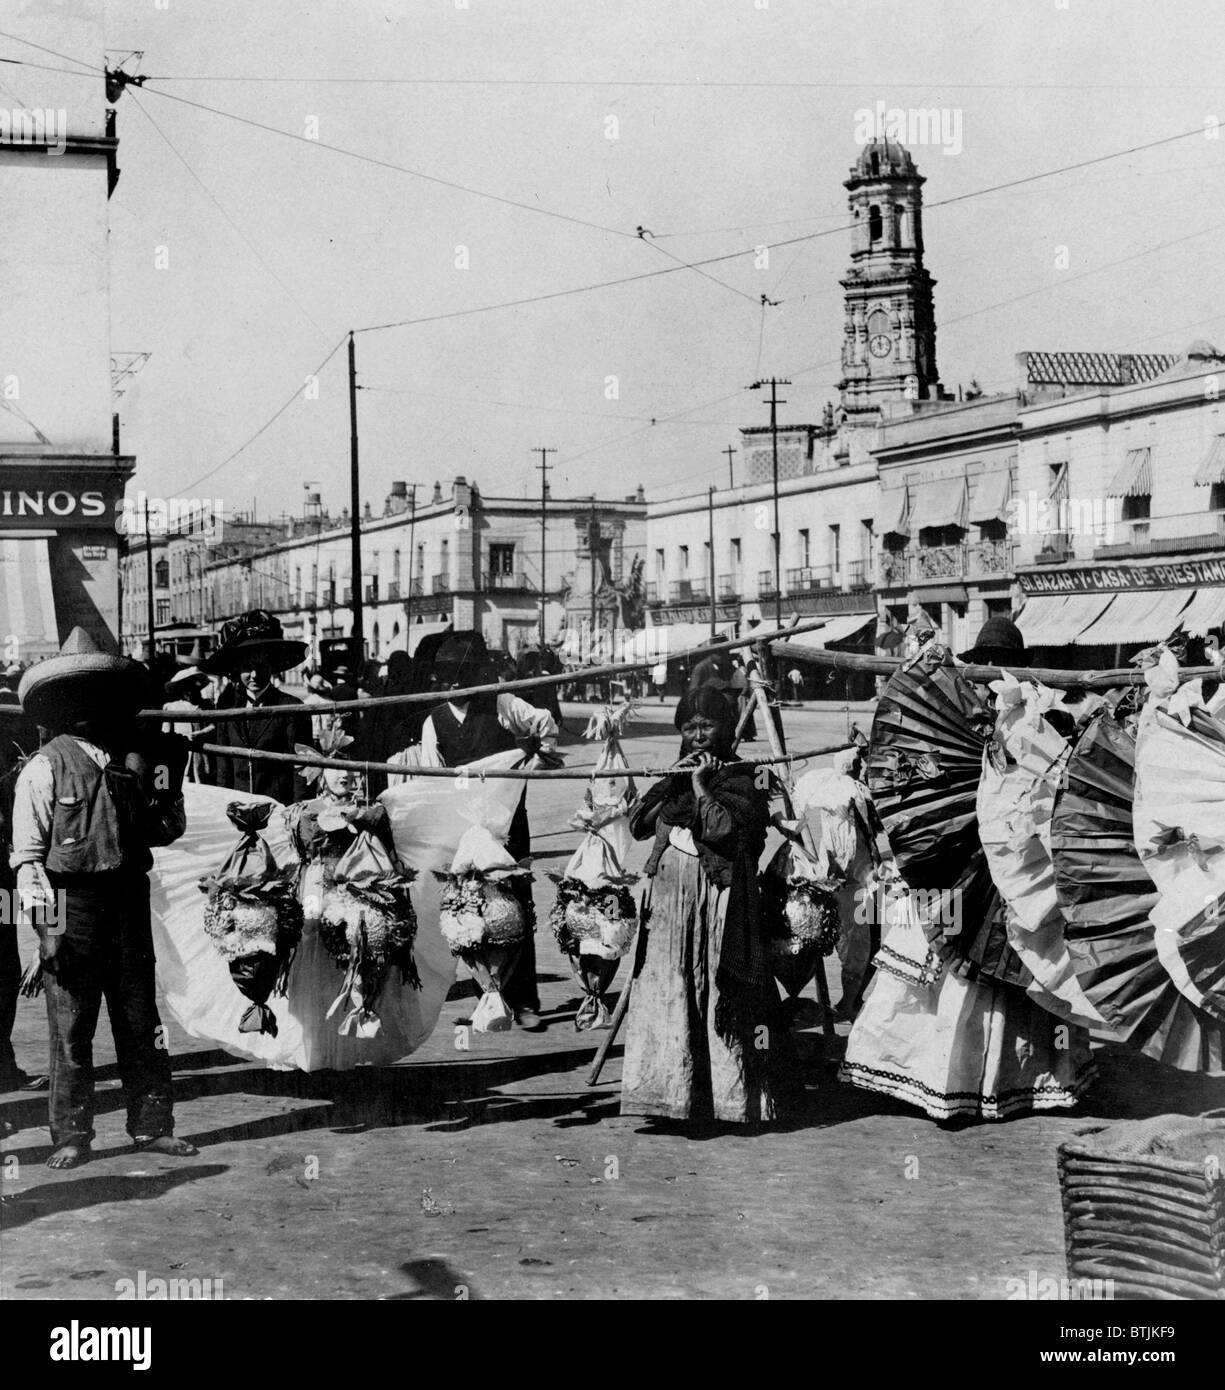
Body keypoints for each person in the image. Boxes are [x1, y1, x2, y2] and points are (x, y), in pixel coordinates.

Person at [839, 618, 1095, 1123]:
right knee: (949, 948)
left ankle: (991, 1081)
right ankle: (940, 1076)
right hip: (959, 849)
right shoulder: (962, 705)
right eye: (987, 662)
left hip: (1010, 855)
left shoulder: (1039, 712)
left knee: (1009, 951)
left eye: (1001, 662)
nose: (992, 671)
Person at [10, 628, 197, 1168]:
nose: (89, 707)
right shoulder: (43, 767)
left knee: (142, 1023)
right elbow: (27, 861)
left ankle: (152, 1126)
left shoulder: (134, 760)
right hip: (74, 908)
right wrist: (46, 932)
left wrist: (166, 788)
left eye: (99, 696)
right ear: (61, 705)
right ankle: (71, 1134)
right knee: (71, 1027)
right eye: (77, 697)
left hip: (128, 903)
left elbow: (166, 831)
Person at [620, 685, 796, 1126]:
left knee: (717, 984)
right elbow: (638, 826)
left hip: (719, 898)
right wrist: (677, 783)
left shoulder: (747, 776)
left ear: (726, 727)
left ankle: (725, 1100)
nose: (698, 736)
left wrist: (700, 787)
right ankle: (672, 1094)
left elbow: (722, 831)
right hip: (670, 902)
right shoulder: (674, 775)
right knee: (673, 983)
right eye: (689, 727)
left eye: (707, 726)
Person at [406, 633, 559, 1029]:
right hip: (465, 825)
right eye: (447, 677)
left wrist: (536, 760)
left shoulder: (502, 704)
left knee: (514, 904)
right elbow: (432, 774)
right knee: (470, 905)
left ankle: (524, 1002)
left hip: (507, 821)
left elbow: (544, 722)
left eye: (463, 675)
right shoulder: (434, 721)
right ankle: (488, 998)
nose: (455, 684)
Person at [204, 611, 313, 804]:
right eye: (247, 667)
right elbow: (223, 765)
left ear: (271, 666)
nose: (254, 675)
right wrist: (224, 803)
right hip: (238, 804)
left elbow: (303, 766)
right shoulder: (227, 707)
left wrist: (299, 808)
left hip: (278, 806)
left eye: (261, 666)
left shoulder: (291, 708)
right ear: (238, 668)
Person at [162, 664, 215, 784]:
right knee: (182, 782)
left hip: (201, 754)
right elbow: (165, 732)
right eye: (186, 686)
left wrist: (202, 733)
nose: (190, 690)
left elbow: (214, 726)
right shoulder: (172, 707)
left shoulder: (206, 706)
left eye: (193, 685)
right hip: (180, 753)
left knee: (203, 782)